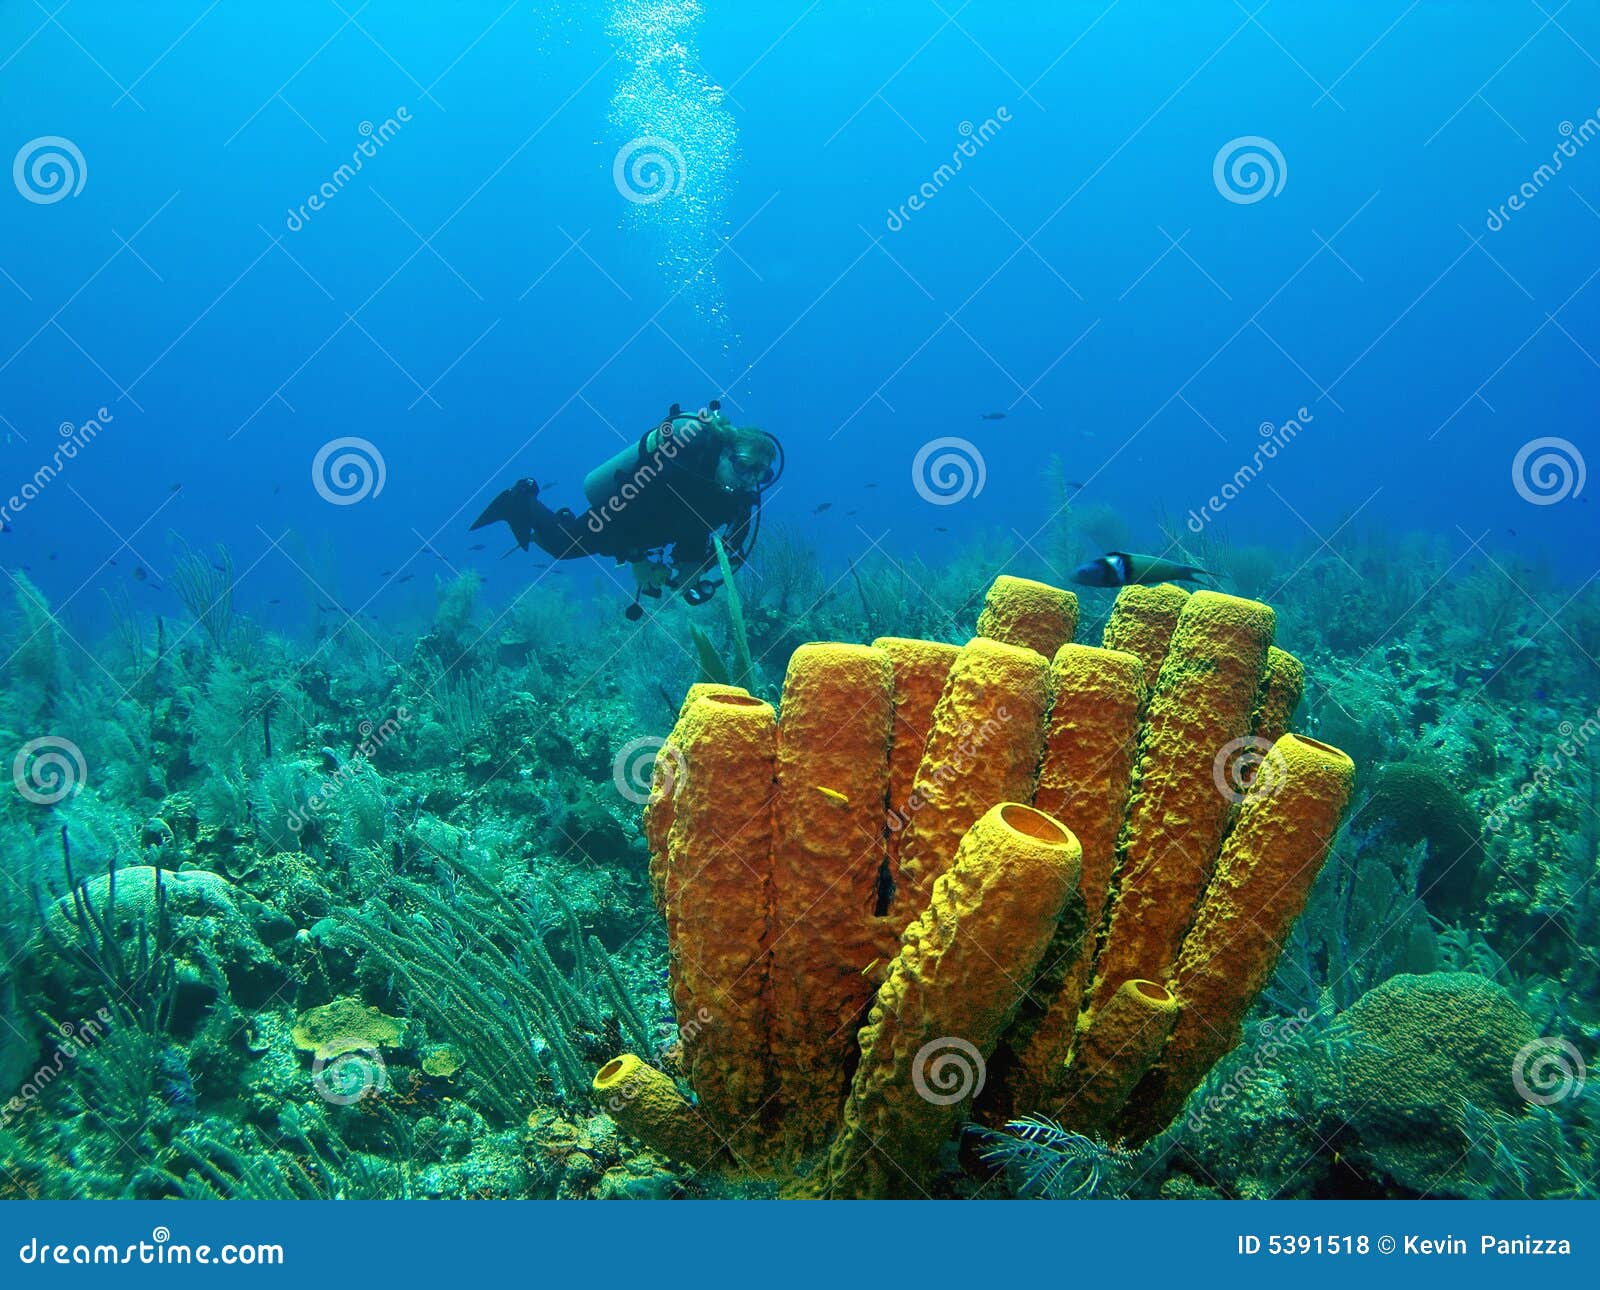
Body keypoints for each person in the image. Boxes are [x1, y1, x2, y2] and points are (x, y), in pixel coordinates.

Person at [471, 401, 782, 618]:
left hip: (665, 527)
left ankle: (560, 517)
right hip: (623, 510)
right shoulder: (678, 466)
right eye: (743, 467)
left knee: (569, 539)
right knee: (560, 546)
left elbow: (731, 548)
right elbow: (625, 509)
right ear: (726, 453)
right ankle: (522, 496)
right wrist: (637, 559)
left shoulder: (739, 496)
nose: (749, 480)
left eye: (760, 474)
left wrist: (696, 569)